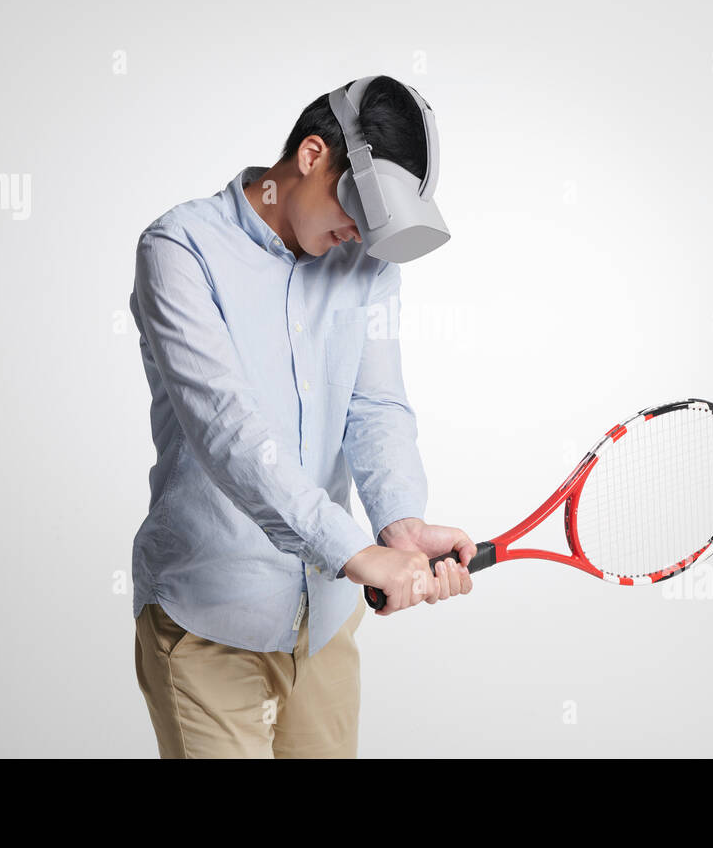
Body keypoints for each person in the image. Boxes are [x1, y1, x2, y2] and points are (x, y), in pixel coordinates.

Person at [129, 76, 474, 758]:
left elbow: (375, 405)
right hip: (208, 621)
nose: (360, 234)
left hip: (324, 625)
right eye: (357, 209)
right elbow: (228, 431)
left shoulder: (366, 261)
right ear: (313, 156)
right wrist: (354, 552)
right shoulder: (179, 249)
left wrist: (398, 524)